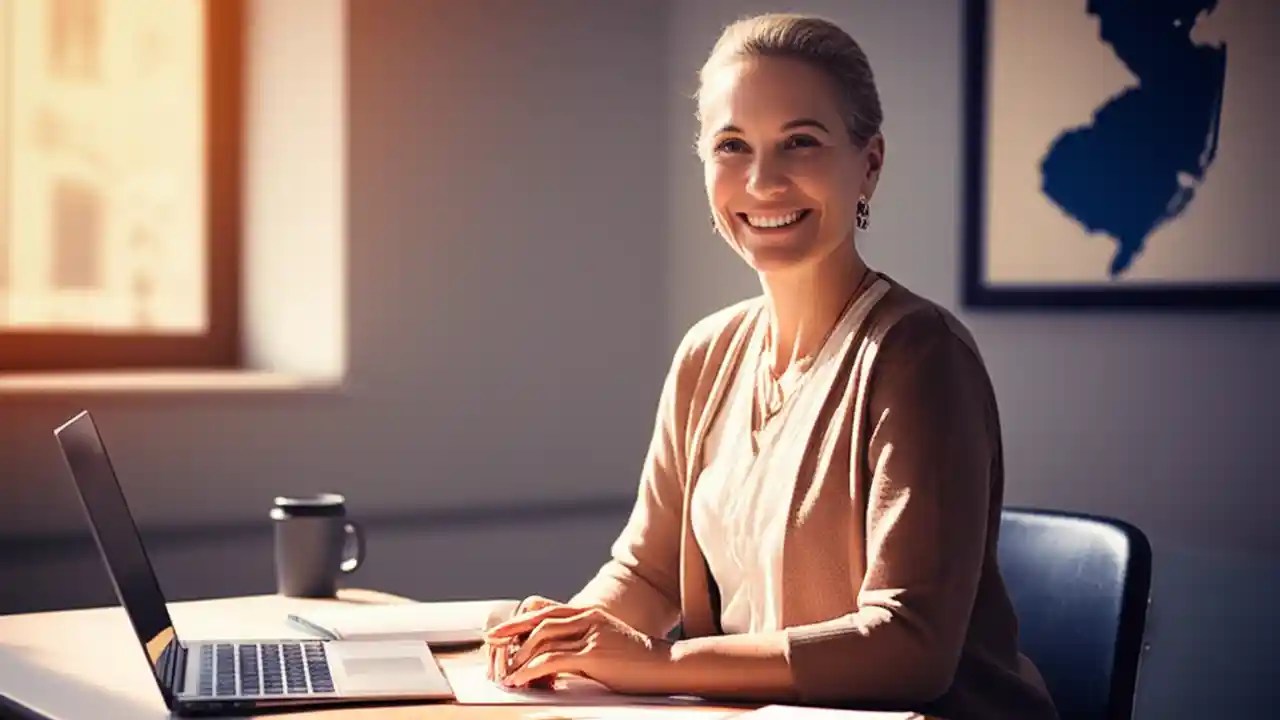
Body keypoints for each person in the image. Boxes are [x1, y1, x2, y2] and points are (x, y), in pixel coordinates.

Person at [484, 13, 1059, 720]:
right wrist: (567, 637)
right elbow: (647, 571)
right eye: (732, 145)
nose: (762, 181)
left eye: (801, 143)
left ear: (868, 164)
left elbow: (910, 647)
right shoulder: (707, 353)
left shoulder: (919, 356)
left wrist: (656, 663)